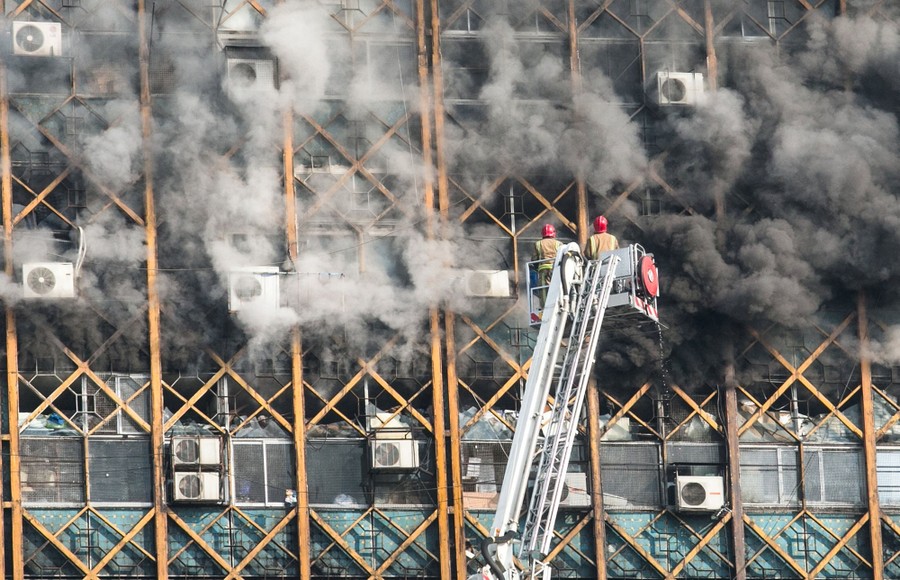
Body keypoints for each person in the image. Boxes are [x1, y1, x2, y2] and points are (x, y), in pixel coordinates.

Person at [532, 224, 563, 289]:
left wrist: (537, 268)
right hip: (556, 269)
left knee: (544, 290)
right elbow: (563, 257)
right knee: (557, 289)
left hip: (543, 270)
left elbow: (534, 259)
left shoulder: (538, 244)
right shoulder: (559, 243)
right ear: (553, 233)